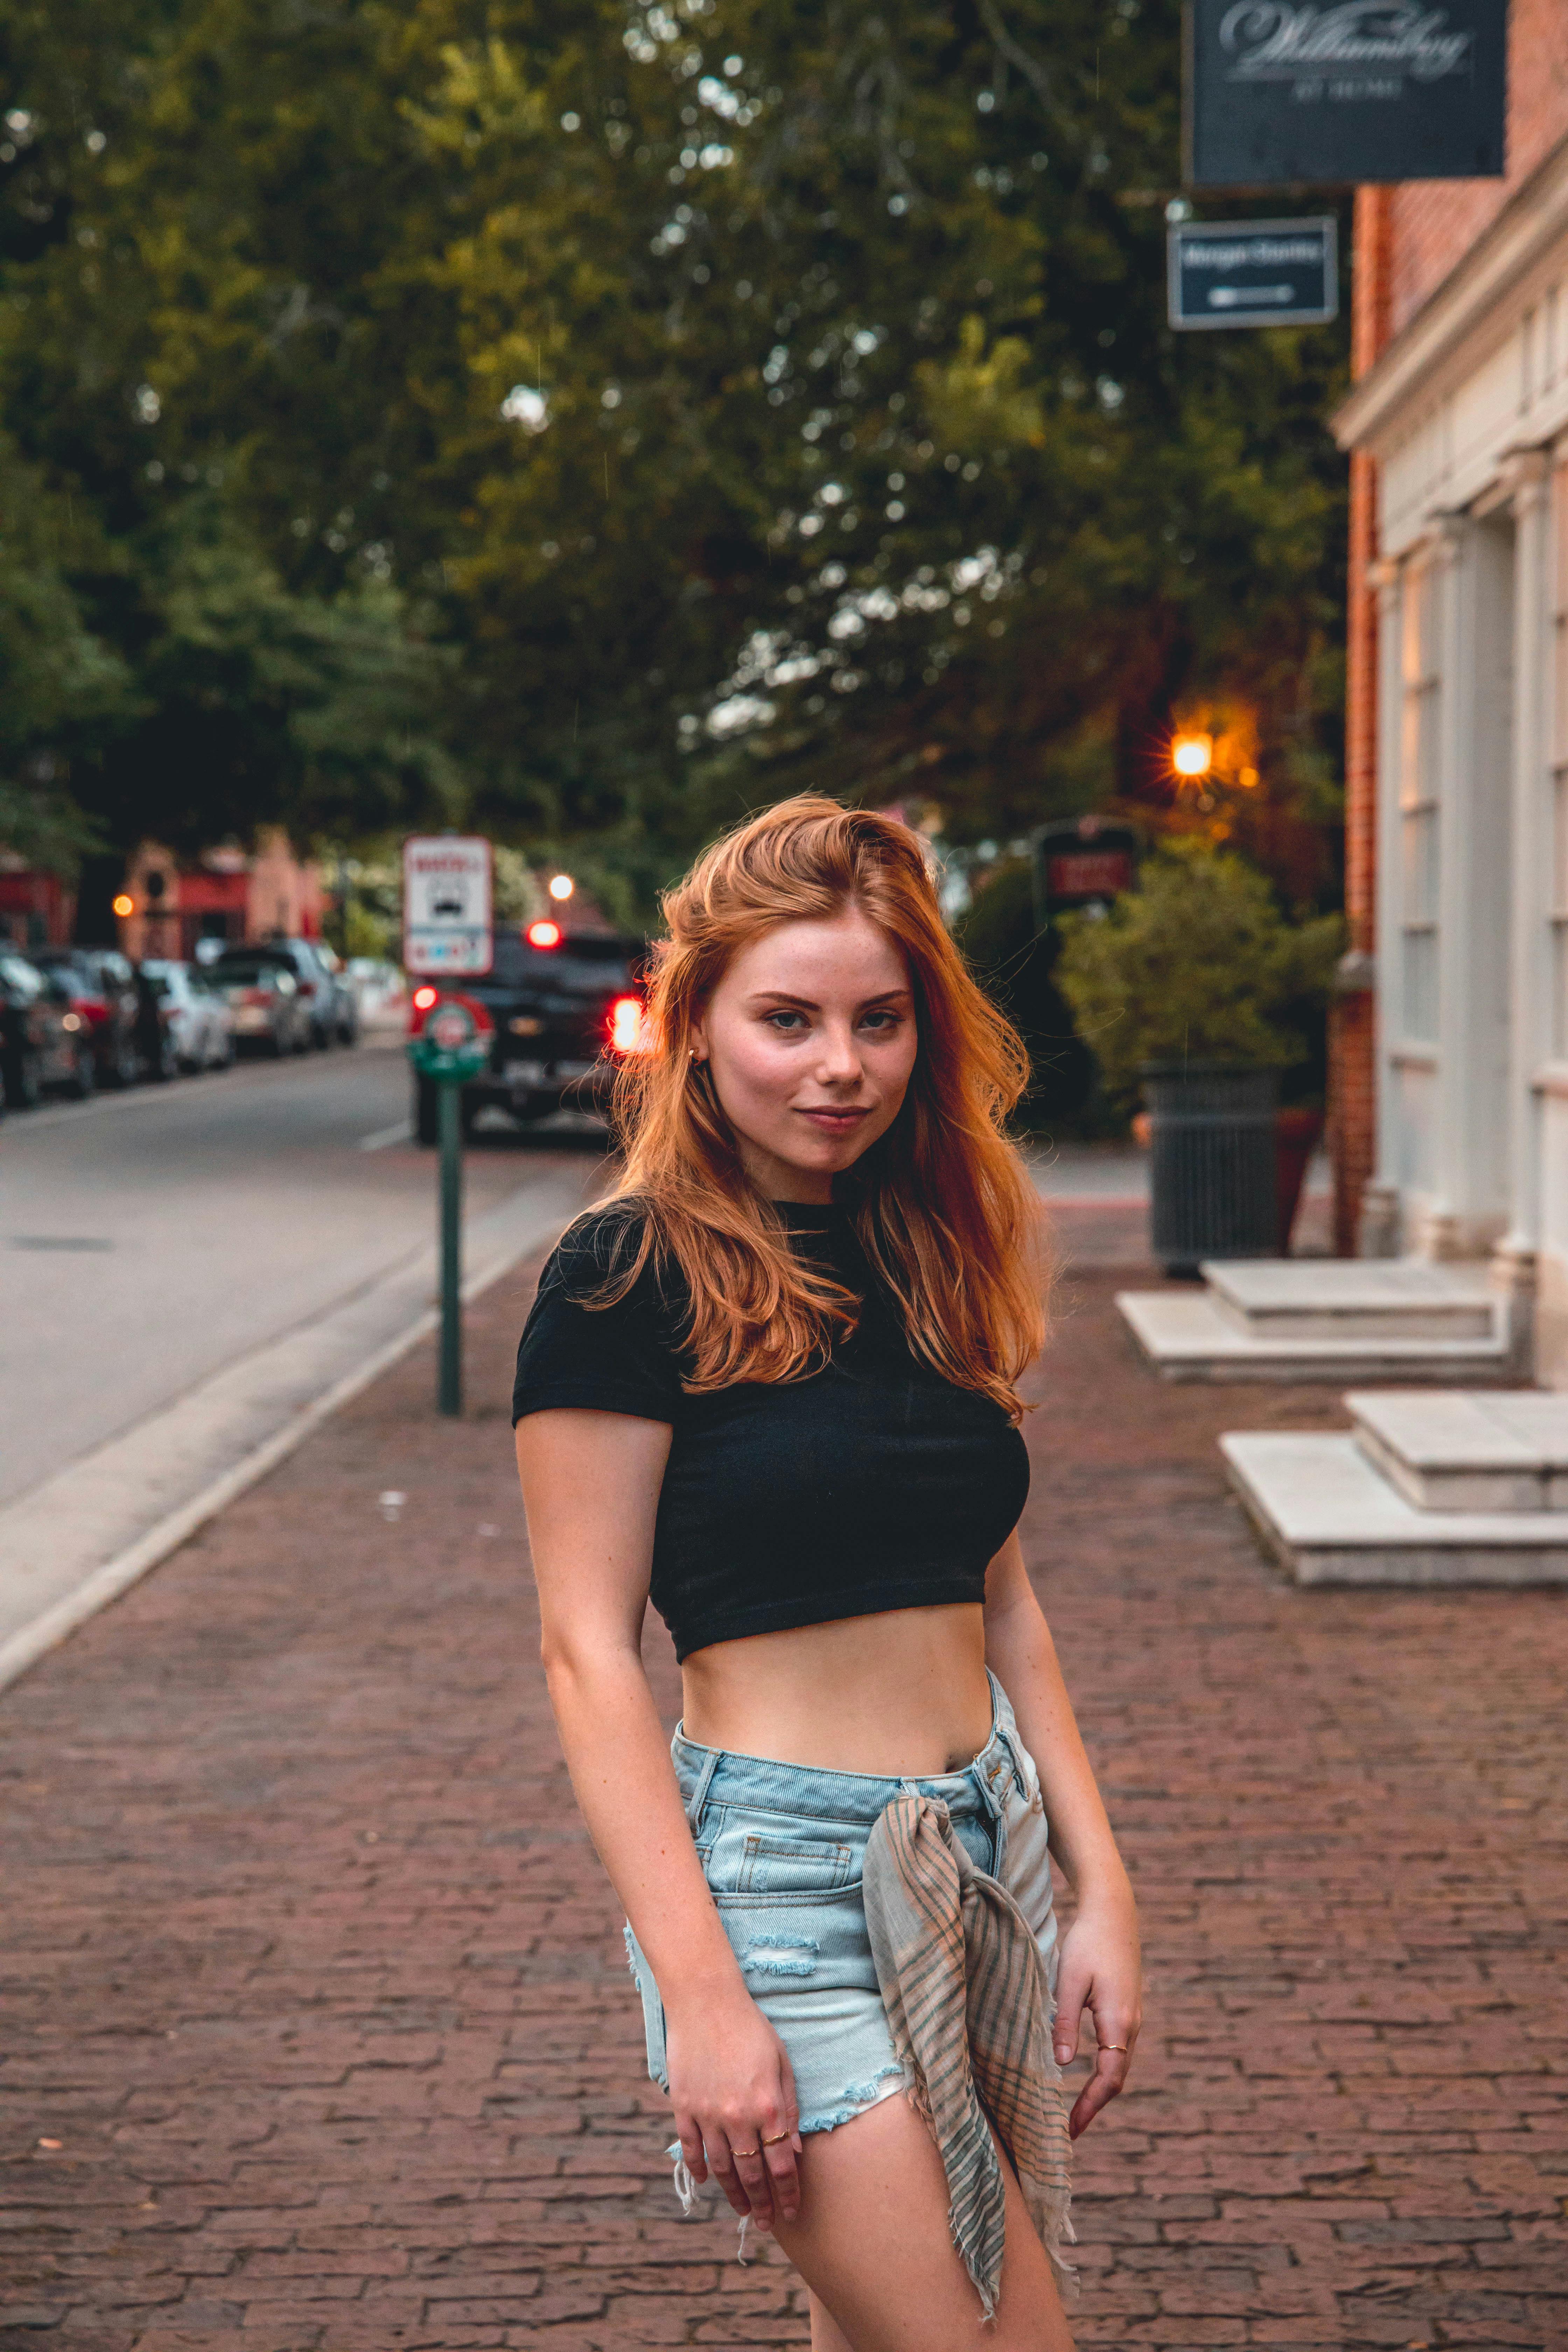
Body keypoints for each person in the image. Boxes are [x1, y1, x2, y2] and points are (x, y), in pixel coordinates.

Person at [513, 796, 1141, 2351]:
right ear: (699, 1026)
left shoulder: (935, 1251)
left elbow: (1001, 1602)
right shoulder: (625, 1275)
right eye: (786, 1019)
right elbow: (588, 1654)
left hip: (979, 1851)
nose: (838, 1065)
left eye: (879, 1019)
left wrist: (1099, 1878)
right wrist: (705, 1998)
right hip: (779, 1893)